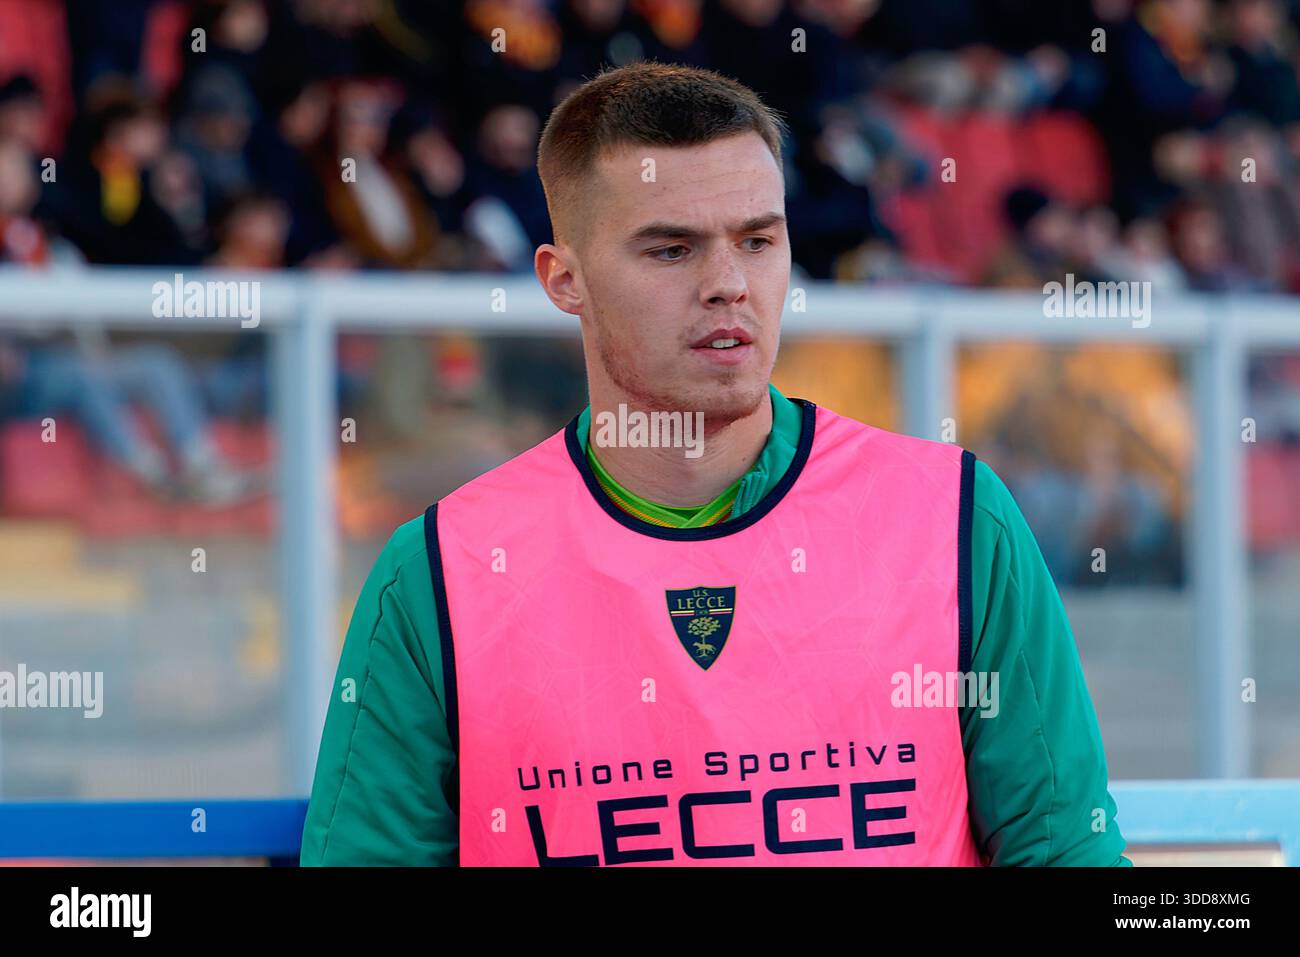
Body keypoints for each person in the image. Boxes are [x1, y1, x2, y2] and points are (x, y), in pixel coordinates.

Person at [302, 62, 1130, 867]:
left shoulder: (954, 517)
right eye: (671, 250)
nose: (729, 283)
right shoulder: (442, 572)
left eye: (758, 240)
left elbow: (1064, 848)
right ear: (565, 280)